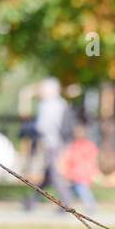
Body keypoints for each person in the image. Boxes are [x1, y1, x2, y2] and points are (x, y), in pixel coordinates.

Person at [24, 77, 75, 211]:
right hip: (60, 142)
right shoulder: (62, 103)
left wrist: (30, 129)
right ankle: (32, 201)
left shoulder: (48, 105)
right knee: (48, 176)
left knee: (55, 174)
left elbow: (42, 126)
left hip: (52, 143)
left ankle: (66, 203)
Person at [59, 128, 100, 209]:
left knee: (82, 191)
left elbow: (68, 159)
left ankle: (91, 207)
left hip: (78, 174)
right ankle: (63, 207)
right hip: (77, 174)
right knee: (76, 191)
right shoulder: (85, 145)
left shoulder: (75, 146)